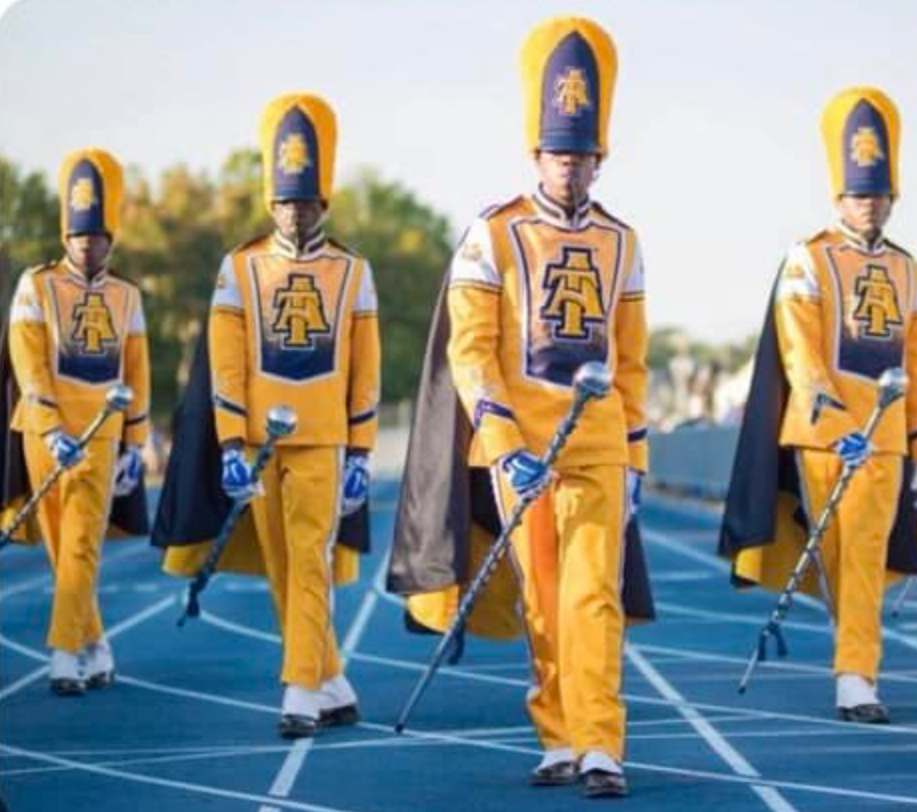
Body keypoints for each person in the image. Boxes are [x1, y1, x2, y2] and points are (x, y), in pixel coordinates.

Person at [388, 17, 651, 798]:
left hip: (598, 445)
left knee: (593, 596)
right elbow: (471, 350)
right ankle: (559, 734)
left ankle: (602, 742)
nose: (571, 168)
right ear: (535, 154)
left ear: (601, 159)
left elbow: (631, 361)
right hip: (520, 453)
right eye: (559, 153)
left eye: (583, 154)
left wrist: (635, 456)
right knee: (541, 600)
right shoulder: (491, 235)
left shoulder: (624, 243)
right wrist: (503, 444)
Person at [152, 93, 380, 738]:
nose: (295, 212)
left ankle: (299, 691)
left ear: (323, 203)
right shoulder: (239, 267)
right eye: (285, 201)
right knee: (283, 567)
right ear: (270, 202)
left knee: (310, 561)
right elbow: (226, 366)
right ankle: (331, 679)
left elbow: (366, 368)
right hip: (255, 444)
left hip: (324, 441)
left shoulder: (352, 271)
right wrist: (229, 443)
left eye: (306, 201)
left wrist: (360, 448)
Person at [720, 87, 917, 724]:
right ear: (838, 196)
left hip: (889, 438)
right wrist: (839, 423)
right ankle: (852, 658)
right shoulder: (807, 259)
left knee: (865, 554)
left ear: (892, 199)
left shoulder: (908, 269)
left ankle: (856, 677)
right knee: (834, 555)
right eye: (858, 195)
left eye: (879, 196)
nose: (869, 207)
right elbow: (801, 352)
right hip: (822, 438)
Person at [1, 149, 150, 695]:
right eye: (78, 237)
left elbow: (138, 371)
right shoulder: (34, 285)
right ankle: (97, 645)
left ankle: (63, 655)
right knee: (62, 551)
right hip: (45, 435)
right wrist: (49, 427)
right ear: (65, 237)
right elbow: (27, 361)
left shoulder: (127, 296)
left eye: (96, 237)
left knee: (83, 544)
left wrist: (135, 441)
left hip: (102, 436)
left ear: (111, 239)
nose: (87, 246)